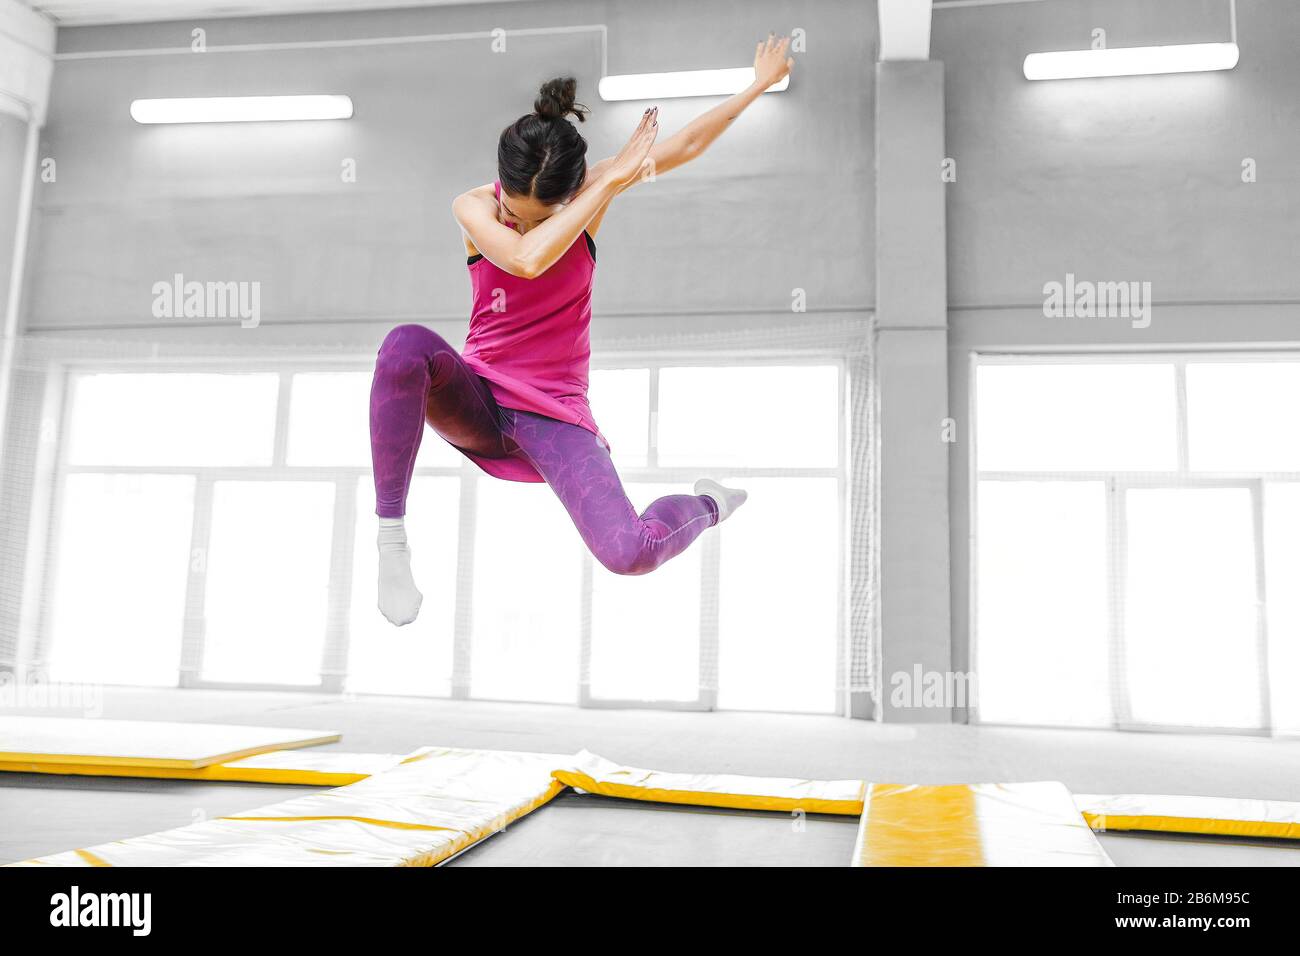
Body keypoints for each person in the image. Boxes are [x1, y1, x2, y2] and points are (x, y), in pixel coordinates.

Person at [369, 35, 795, 625]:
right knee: (404, 345)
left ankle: (709, 502)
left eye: (541, 217)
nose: (516, 221)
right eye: (514, 210)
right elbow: (524, 260)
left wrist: (755, 85)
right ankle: (391, 542)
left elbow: (689, 143)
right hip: (480, 398)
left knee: (631, 553)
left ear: (568, 197)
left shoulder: (594, 195)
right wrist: (608, 181)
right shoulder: (472, 206)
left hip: (555, 415)